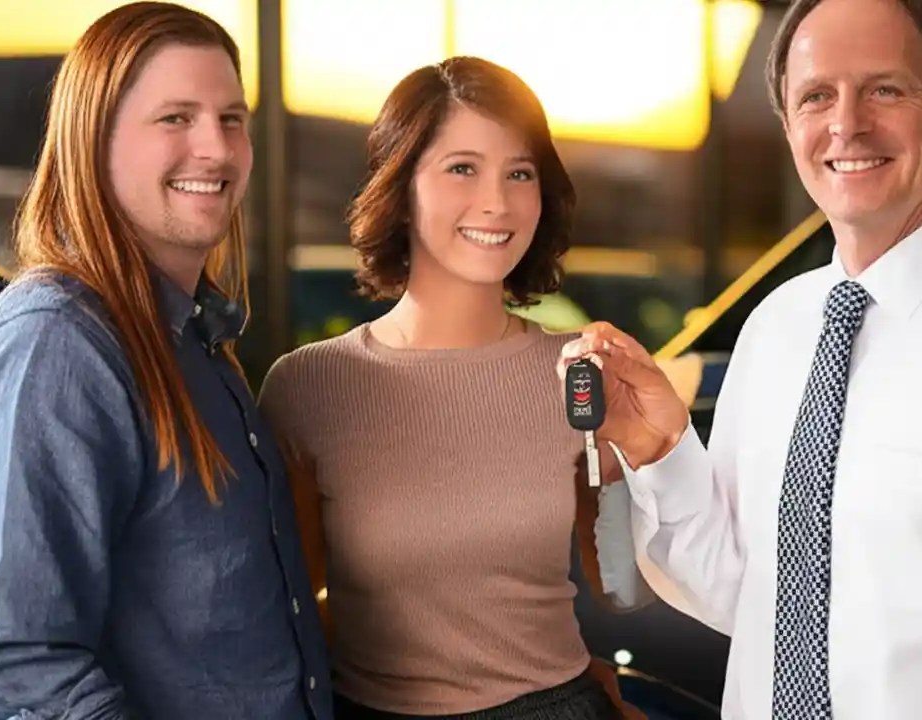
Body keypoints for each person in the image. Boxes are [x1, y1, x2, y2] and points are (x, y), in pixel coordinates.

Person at [559, 0, 922, 718]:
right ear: (789, 124)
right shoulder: (774, 331)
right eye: (817, 96)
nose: (847, 123)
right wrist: (659, 449)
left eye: (884, 89)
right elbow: (748, 598)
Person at [0, 3, 331, 718]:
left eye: (232, 119)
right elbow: (23, 669)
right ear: (94, 142)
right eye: (175, 118)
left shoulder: (197, 343)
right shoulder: (57, 342)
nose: (216, 149)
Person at [259, 56, 651, 720]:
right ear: (400, 187)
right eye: (462, 168)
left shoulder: (577, 372)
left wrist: (634, 460)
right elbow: (291, 604)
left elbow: (623, 589)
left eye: (519, 173)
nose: (497, 202)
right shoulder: (309, 386)